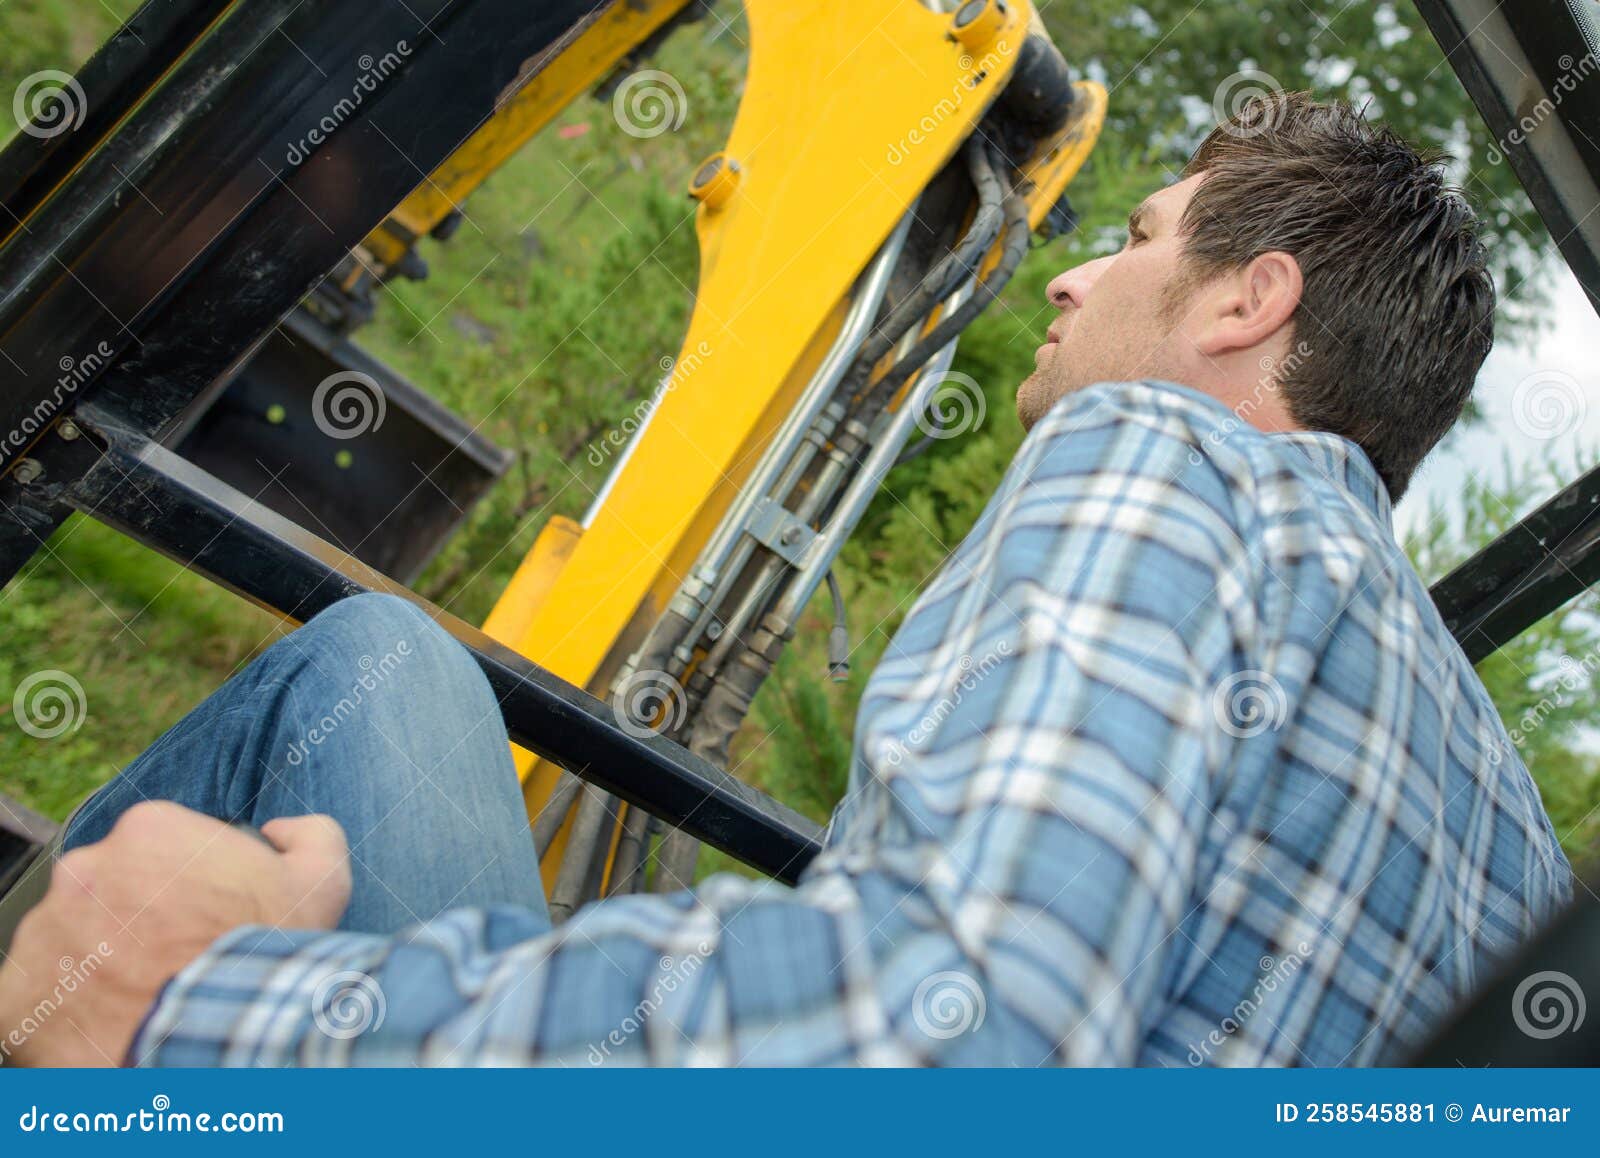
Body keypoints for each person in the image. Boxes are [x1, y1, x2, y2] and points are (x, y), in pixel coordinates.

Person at [0, 93, 1572, 1067]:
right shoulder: (1506, 830)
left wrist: (217, 1008)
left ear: (1247, 301)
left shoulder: (1171, 460)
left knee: (381, 666)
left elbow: (947, 1037)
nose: (1082, 270)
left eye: (1143, 235)